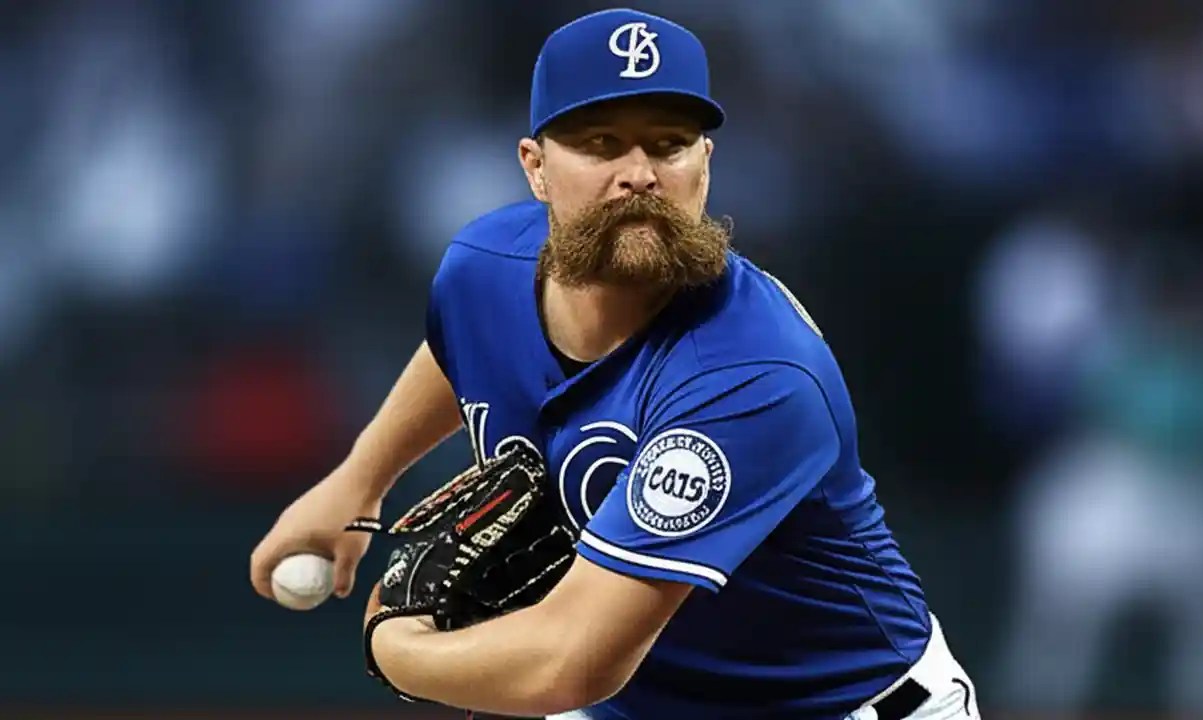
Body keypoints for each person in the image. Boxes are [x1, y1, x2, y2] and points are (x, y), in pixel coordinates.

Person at [249, 8, 979, 720]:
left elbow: (572, 662)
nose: (640, 175)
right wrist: (358, 481)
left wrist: (395, 646)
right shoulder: (483, 268)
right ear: (535, 169)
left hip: (833, 704)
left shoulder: (750, 375)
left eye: (669, 144)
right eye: (601, 143)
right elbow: (462, 342)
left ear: (706, 164)